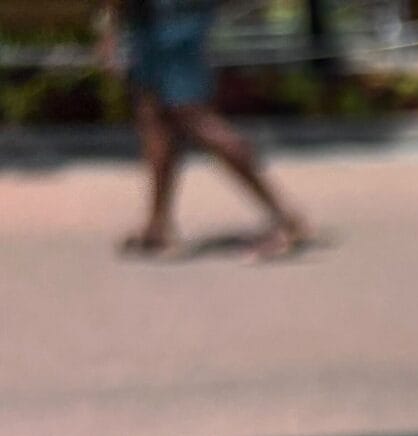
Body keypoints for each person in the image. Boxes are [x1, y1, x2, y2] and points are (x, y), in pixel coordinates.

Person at [98, 0, 311, 260]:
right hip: (155, 18)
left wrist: (109, 27)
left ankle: (286, 219)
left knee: (192, 116)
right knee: (154, 118)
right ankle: (157, 225)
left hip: (169, 19)